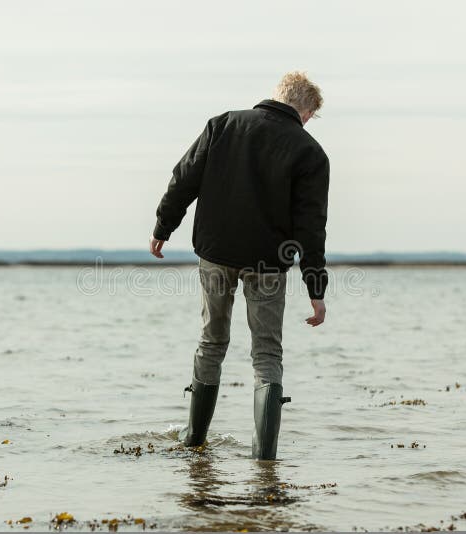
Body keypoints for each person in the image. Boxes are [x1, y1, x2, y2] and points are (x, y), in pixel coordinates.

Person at [149, 71, 330, 460]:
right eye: (312, 115)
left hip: (216, 253)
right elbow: (311, 227)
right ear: (306, 109)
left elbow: (184, 179)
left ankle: (194, 440)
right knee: (267, 355)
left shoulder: (223, 125)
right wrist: (316, 289)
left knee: (211, 342)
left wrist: (164, 225)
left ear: (277, 95)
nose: (310, 122)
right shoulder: (310, 152)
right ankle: (264, 460)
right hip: (269, 262)